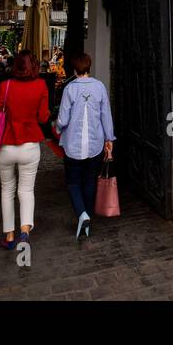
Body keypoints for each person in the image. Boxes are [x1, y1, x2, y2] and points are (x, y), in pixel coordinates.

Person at [0, 51, 48, 249]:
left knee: (7, 190)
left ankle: (9, 235)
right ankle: (25, 230)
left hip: (6, 145)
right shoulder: (41, 85)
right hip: (30, 145)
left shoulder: (5, 86)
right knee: (26, 190)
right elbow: (43, 118)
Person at [56, 53, 116, 242]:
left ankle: (82, 214)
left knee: (73, 181)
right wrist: (109, 138)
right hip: (95, 144)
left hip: (73, 145)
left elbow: (63, 120)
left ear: (74, 69)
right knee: (90, 180)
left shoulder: (69, 89)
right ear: (89, 67)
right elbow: (106, 115)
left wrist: (56, 126)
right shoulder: (99, 87)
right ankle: (87, 216)